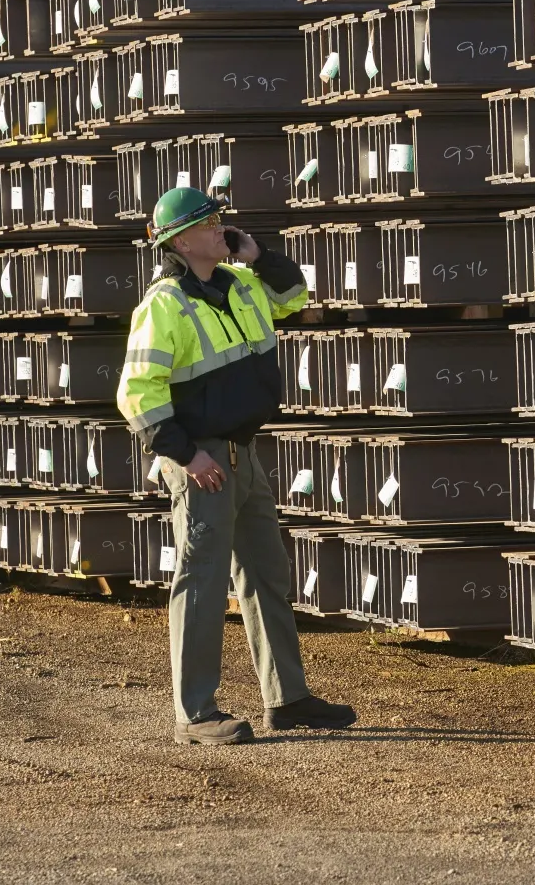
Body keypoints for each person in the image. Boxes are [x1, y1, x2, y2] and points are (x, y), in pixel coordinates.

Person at [116, 186, 357, 745]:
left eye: (221, 219)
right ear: (178, 240)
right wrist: (184, 453)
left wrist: (257, 255)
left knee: (266, 574)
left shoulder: (242, 284)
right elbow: (137, 393)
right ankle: (195, 714)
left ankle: (287, 698)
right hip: (201, 459)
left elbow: (294, 296)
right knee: (200, 584)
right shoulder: (163, 305)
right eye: (210, 223)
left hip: (243, 453)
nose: (221, 228)